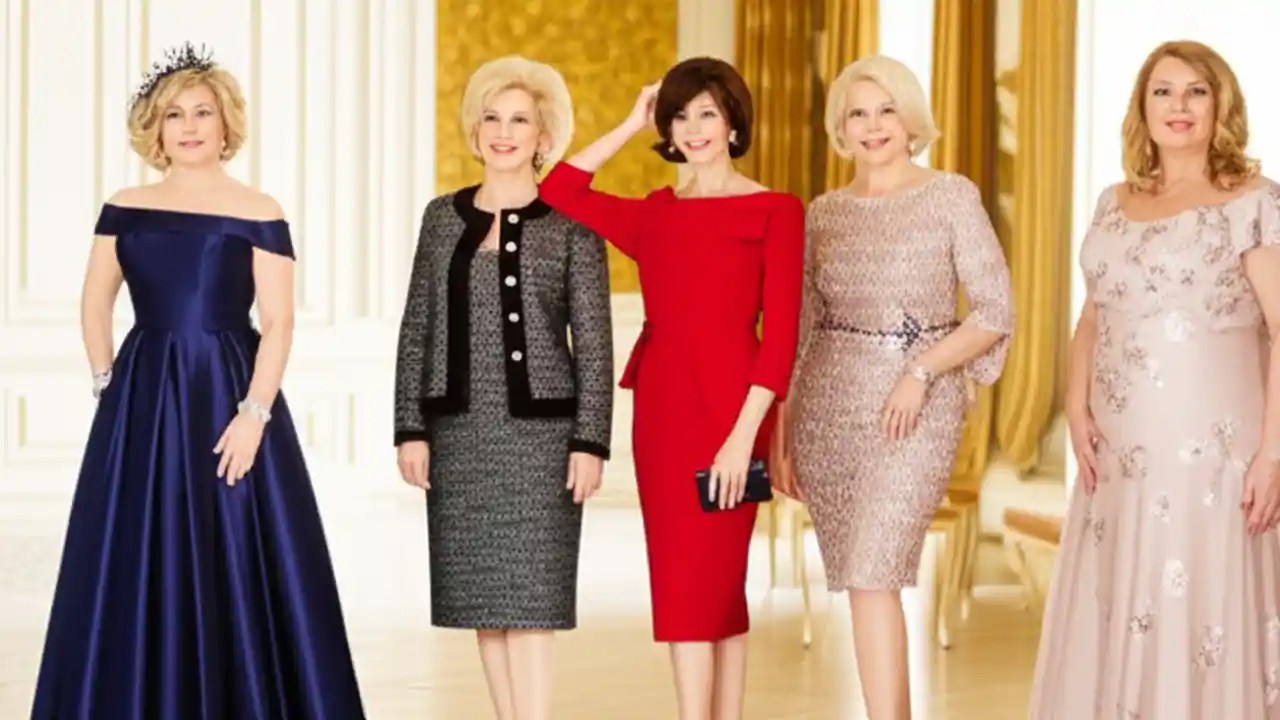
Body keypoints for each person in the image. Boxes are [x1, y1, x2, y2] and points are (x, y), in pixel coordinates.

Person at [30, 43, 365, 718]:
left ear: (225, 123)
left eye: (202, 112)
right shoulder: (125, 204)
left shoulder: (258, 209)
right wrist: (108, 383)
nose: (188, 125)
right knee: (133, 549)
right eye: (174, 114)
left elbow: (277, 323)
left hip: (229, 391)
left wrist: (254, 414)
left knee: (235, 542)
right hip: (144, 394)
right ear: (155, 129)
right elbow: (96, 299)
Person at [539, 56, 804, 720]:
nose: (692, 129)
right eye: (679, 116)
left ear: (734, 121)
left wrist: (742, 440)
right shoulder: (653, 216)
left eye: (707, 113)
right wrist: (633, 119)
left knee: (717, 583)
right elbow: (560, 190)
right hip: (663, 416)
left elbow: (780, 342)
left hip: (735, 416)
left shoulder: (777, 211)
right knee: (688, 584)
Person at [1030, 40, 1280, 719]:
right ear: (1142, 107)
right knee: (1117, 601)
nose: (1179, 106)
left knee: (1197, 607)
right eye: (1163, 91)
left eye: (1196, 91)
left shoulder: (1252, 201)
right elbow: (1093, 315)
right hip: (1116, 458)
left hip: (1209, 459)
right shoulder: (1115, 202)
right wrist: (1075, 408)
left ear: (1220, 103)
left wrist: (1273, 453)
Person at [772, 55, 1013, 720]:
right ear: (839, 128)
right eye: (858, 113)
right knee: (862, 581)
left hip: (916, 410)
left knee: (876, 569)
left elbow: (995, 310)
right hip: (828, 407)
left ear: (912, 121)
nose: (873, 125)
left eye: (886, 110)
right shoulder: (823, 213)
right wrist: (783, 430)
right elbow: (802, 327)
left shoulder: (950, 196)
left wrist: (921, 371)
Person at [392, 56, 613, 720]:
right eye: (493, 117)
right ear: (476, 128)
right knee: (484, 605)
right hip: (460, 435)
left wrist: (591, 441)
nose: (505, 132)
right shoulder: (440, 218)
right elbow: (416, 327)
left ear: (545, 136)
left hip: (544, 440)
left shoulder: (573, 224)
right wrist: (410, 428)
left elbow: (595, 342)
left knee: (532, 601)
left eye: (520, 119)